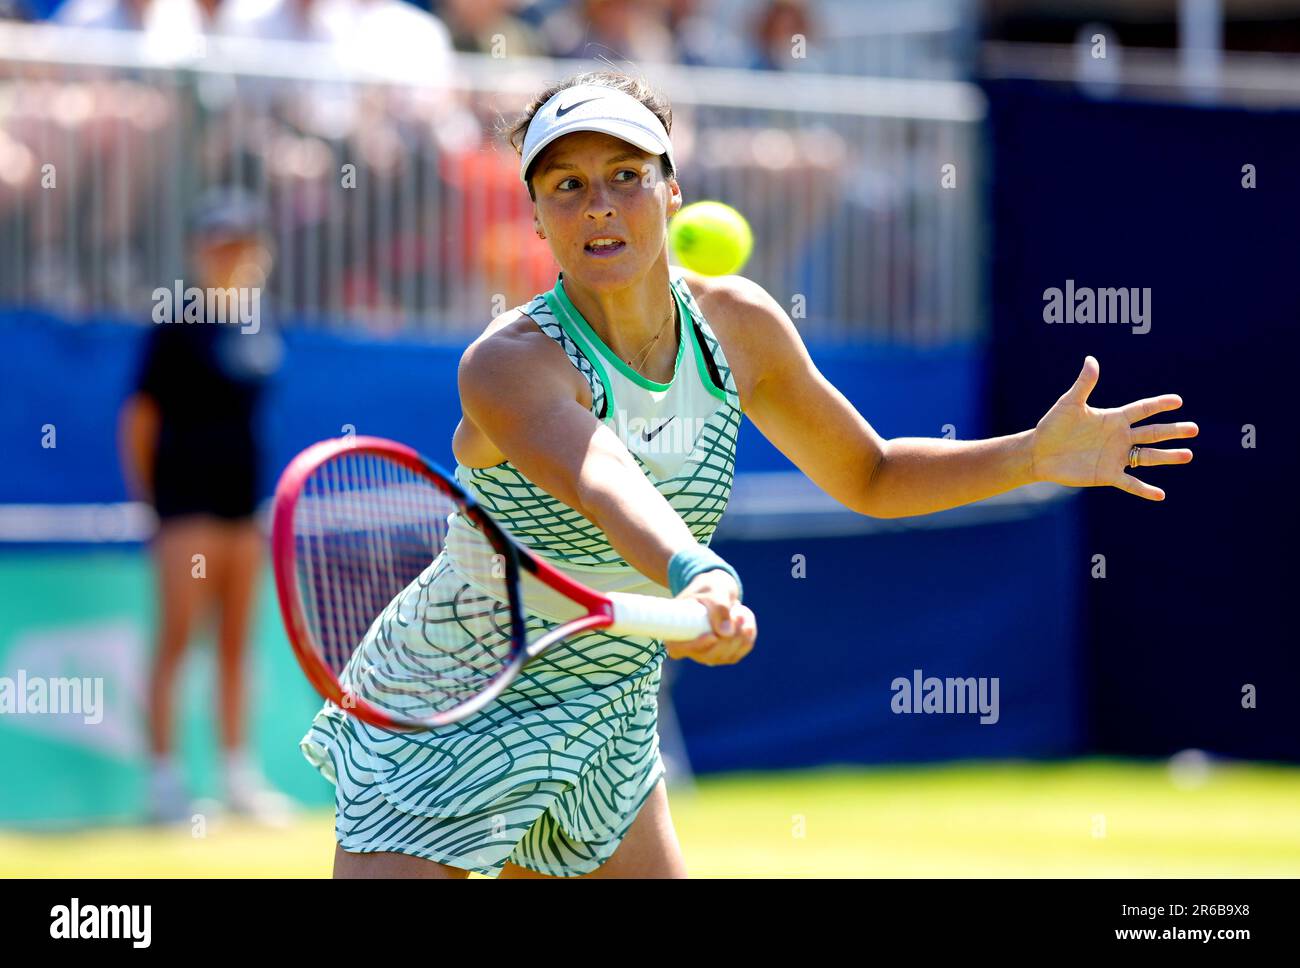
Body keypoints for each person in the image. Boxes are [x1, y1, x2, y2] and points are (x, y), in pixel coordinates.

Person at [301, 69, 1197, 878]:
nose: (600, 206)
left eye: (626, 176)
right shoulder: (509, 362)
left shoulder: (739, 324)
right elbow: (603, 476)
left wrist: (1033, 456)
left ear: (672, 191)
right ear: (536, 218)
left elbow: (872, 474)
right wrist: (697, 571)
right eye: (567, 187)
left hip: (607, 697)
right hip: (455, 689)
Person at [119, 188, 290, 824]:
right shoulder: (177, 324)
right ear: (201, 250)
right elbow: (138, 420)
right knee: (178, 640)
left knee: (237, 644)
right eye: (222, 243)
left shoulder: (259, 321)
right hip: (186, 512)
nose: (235, 255)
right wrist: (157, 509)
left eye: (245, 243)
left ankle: (237, 777)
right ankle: (163, 782)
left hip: (244, 512)